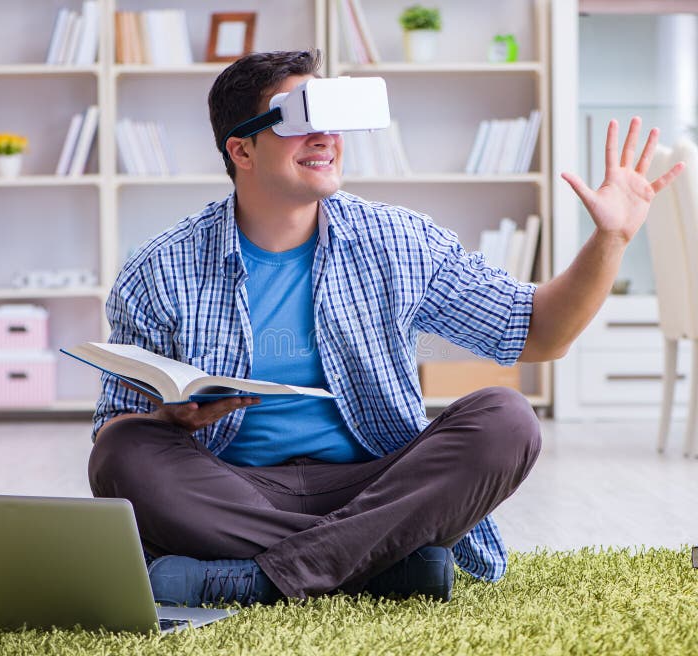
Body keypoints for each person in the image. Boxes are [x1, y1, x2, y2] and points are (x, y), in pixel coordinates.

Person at [88, 50, 684, 606]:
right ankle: (383, 564)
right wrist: (171, 419)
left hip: (378, 484)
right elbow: (116, 425)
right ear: (242, 151)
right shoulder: (160, 267)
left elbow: (540, 334)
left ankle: (261, 579)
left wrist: (611, 239)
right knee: (123, 452)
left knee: (507, 419)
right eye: (299, 121)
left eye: (332, 120)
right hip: (236, 488)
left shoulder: (399, 240)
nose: (325, 138)